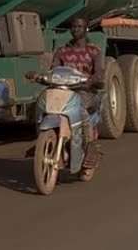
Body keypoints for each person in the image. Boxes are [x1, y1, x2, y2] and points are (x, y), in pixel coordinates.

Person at [26, 16, 107, 178]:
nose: (76, 29)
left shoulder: (94, 51)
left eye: (79, 26)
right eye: (73, 26)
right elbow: (53, 71)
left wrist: (92, 81)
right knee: (41, 104)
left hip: (85, 91)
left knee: (80, 109)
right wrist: (39, 77)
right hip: (62, 90)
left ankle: (90, 144)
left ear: (85, 29)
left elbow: (99, 73)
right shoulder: (62, 51)